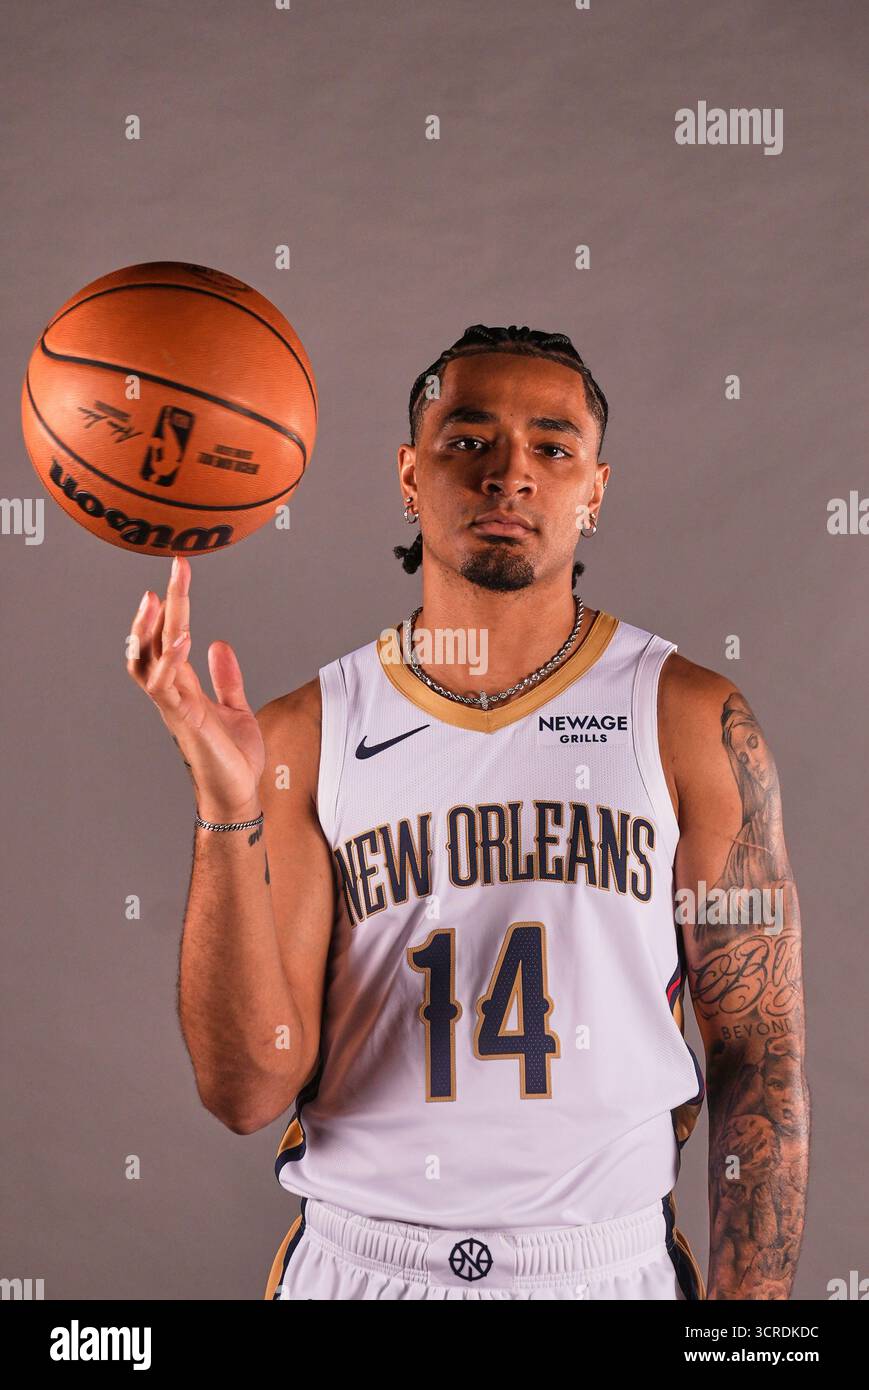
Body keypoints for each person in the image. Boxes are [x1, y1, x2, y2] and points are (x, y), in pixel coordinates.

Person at [127, 324, 809, 1300]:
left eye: (551, 447)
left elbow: (760, 1059)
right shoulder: (299, 738)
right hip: (363, 1265)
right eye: (467, 440)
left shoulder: (690, 720)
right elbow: (245, 1091)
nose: (508, 474)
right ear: (409, 474)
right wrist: (225, 808)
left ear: (595, 489)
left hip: (599, 1267)